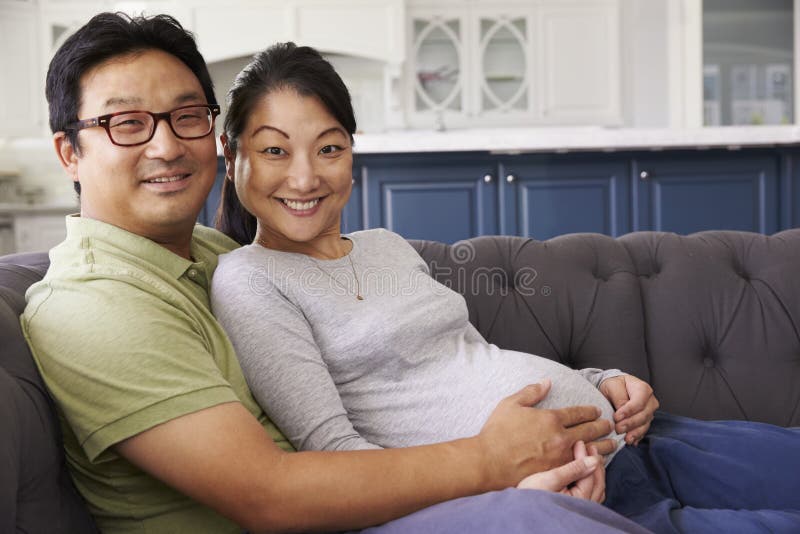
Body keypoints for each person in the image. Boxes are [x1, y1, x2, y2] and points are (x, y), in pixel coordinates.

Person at [21, 11, 652, 534]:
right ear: (69, 151)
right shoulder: (98, 306)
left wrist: (591, 386)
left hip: (526, 470)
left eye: (186, 116)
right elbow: (269, 496)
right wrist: (497, 466)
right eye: (126, 123)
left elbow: (441, 368)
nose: (166, 145)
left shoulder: (207, 253)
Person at [211, 42, 800, 534]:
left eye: (329, 148)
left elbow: (472, 359)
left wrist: (602, 383)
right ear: (232, 156)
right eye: (274, 150)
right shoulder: (251, 279)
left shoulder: (385, 244)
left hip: (641, 438)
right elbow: (335, 456)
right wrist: (508, 494)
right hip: (579, 494)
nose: (305, 176)